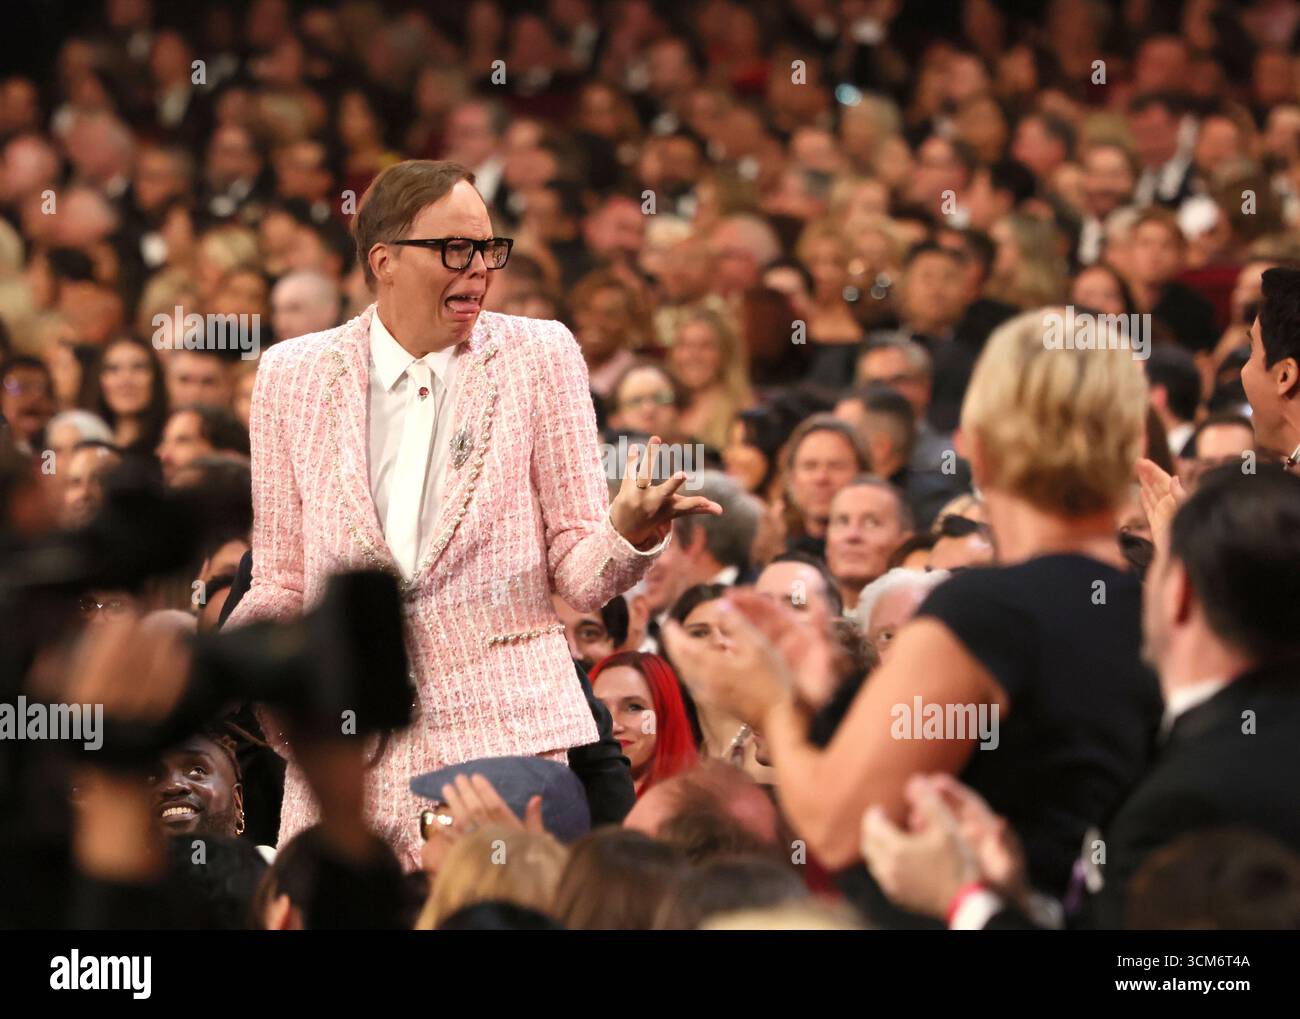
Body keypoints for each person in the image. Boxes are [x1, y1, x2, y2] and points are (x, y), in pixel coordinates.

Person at [226, 160, 721, 866]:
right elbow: (280, 578)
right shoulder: (291, 375)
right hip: (345, 744)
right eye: (455, 249)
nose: (480, 269)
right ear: (385, 260)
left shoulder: (539, 356)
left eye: (489, 249)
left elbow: (580, 572)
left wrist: (627, 535)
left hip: (505, 739)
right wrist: (222, 668)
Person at [667, 308, 1164, 912]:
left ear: (974, 447)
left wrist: (769, 708)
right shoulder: (1168, 607)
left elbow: (836, 827)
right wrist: (823, 697)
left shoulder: (985, 613)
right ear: (1134, 444)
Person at [588, 651, 698, 797]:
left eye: (634, 707)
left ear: (664, 716)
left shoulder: (696, 804)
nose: (613, 725)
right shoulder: (565, 800)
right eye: (598, 710)